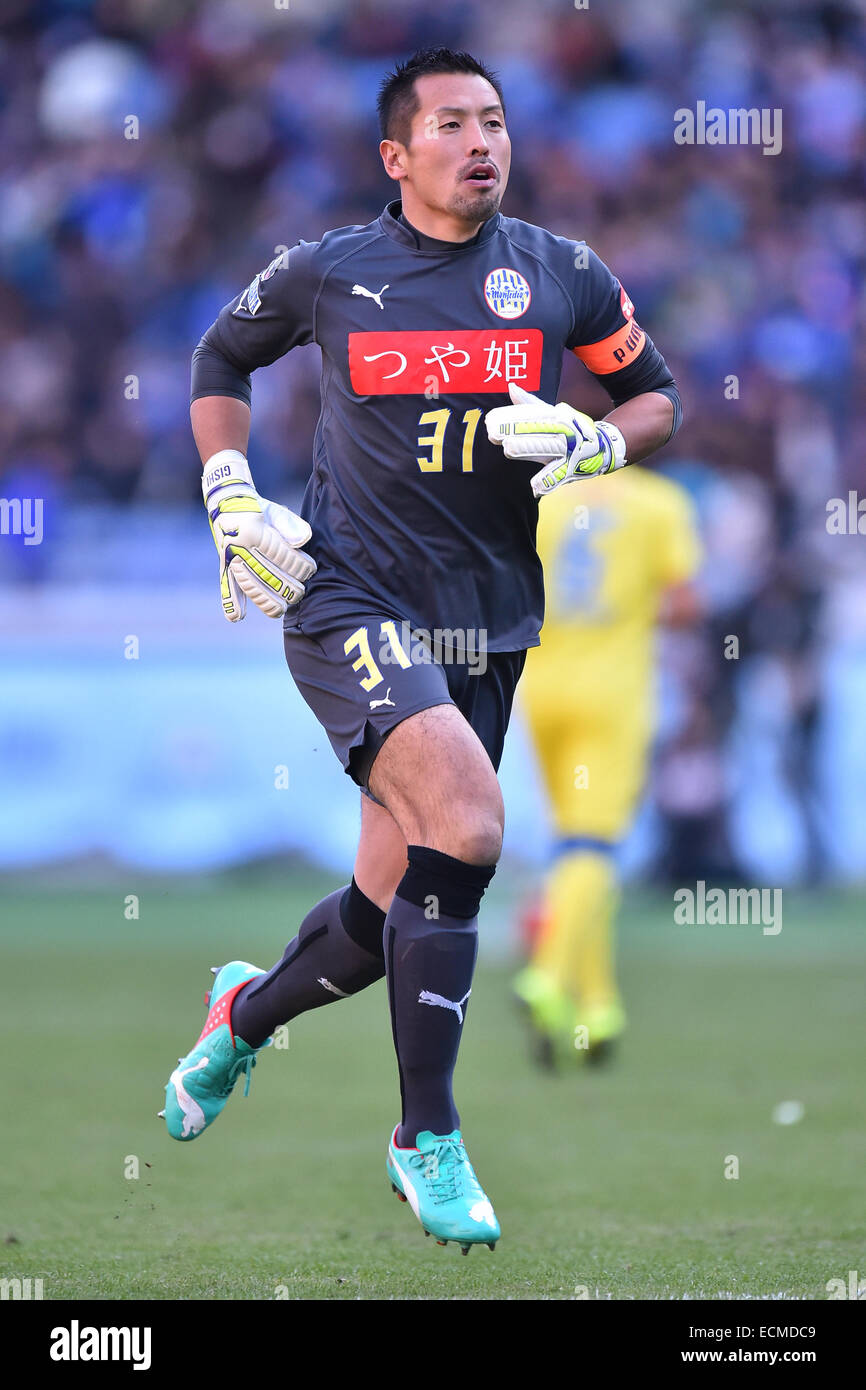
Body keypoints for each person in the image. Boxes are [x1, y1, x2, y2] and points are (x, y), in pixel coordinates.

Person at [160, 45, 682, 1252]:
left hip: (488, 617)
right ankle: (425, 1135)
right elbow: (219, 355)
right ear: (397, 157)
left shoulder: (559, 274)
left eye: (492, 120)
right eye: (451, 124)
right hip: (348, 598)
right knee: (475, 824)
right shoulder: (330, 272)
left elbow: (653, 394)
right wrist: (229, 485)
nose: (480, 141)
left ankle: (242, 1014)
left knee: (384, 906)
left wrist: (605, 445)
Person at [514, 465, 702, 1067]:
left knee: (575, 850)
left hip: (541, 689)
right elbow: (684, 604)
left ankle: (597, 1007)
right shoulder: (659, 502)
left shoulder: (548, 497)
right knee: (593, 848)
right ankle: (547, 973)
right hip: (612, 696)